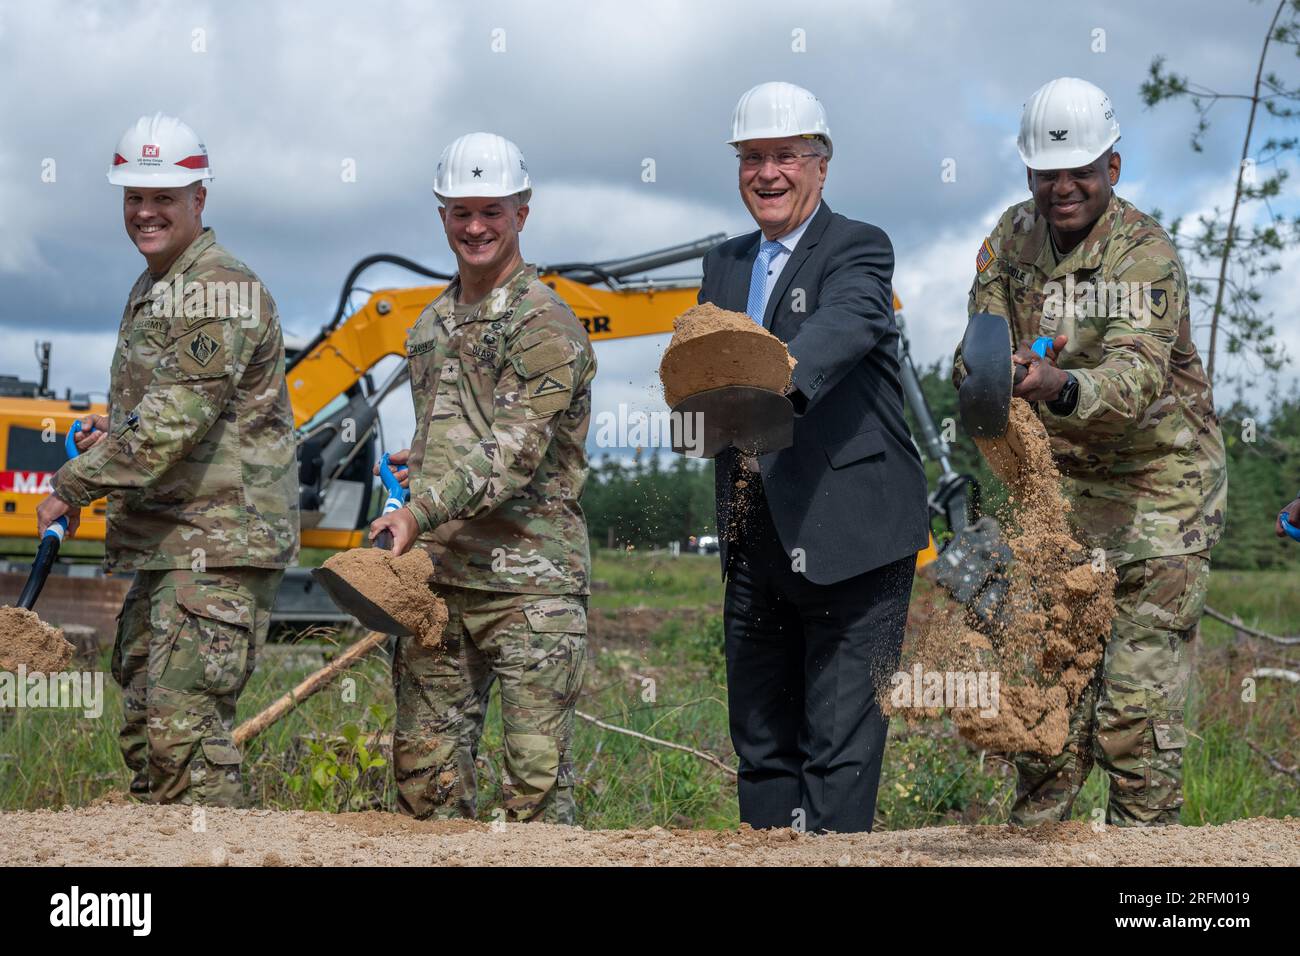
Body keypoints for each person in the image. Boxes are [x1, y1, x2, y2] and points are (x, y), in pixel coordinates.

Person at [962, 78, 1227, 825]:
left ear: (1113, 166)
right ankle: (1035, 851)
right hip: (1061, 511)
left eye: (1081, 169)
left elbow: (1137, 377)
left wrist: (1057, 385)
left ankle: (1145, 880)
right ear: (1028, 174)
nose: (1064, 186)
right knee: (1046, 723)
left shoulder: (1144, 256)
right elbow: (978, 349)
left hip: (1158, 508)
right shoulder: (1008, 241)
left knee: (1131, 725)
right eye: (1048, 172)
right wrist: (992, 374)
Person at [36, 112, 299, 805]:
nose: (146, 212)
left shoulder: (218, 288)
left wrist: (72, 483)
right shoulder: (158, 284)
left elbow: (169, 428)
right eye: (134, 198)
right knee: (148, 735)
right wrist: (111, 432)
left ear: (199, 200)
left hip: (216, 544)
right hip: (170, 545)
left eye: (163, 198)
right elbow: (161, 416)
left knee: (185, 746)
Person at [696, 82, 929, 833]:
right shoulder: (724, 264)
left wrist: (773, 385)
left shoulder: (859, 247)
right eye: (752, 157)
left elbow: (846, 326)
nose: (767, 173)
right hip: (756, 536)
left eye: (785, 156)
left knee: (838, 749)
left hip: (853, 536)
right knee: (763, 747)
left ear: (821, 167)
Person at [369, 132, 596, 824]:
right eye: (460, 211)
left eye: (491, 211)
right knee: (427, 790)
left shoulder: (546, 324)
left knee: (533, 794)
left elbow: (512, 452)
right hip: (440, 587)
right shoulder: (430, 326)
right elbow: (462, 432)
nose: (474, 227)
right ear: (441, 214)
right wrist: (425, 460)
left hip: (531, 591)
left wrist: (415, 512)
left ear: (522, 212)